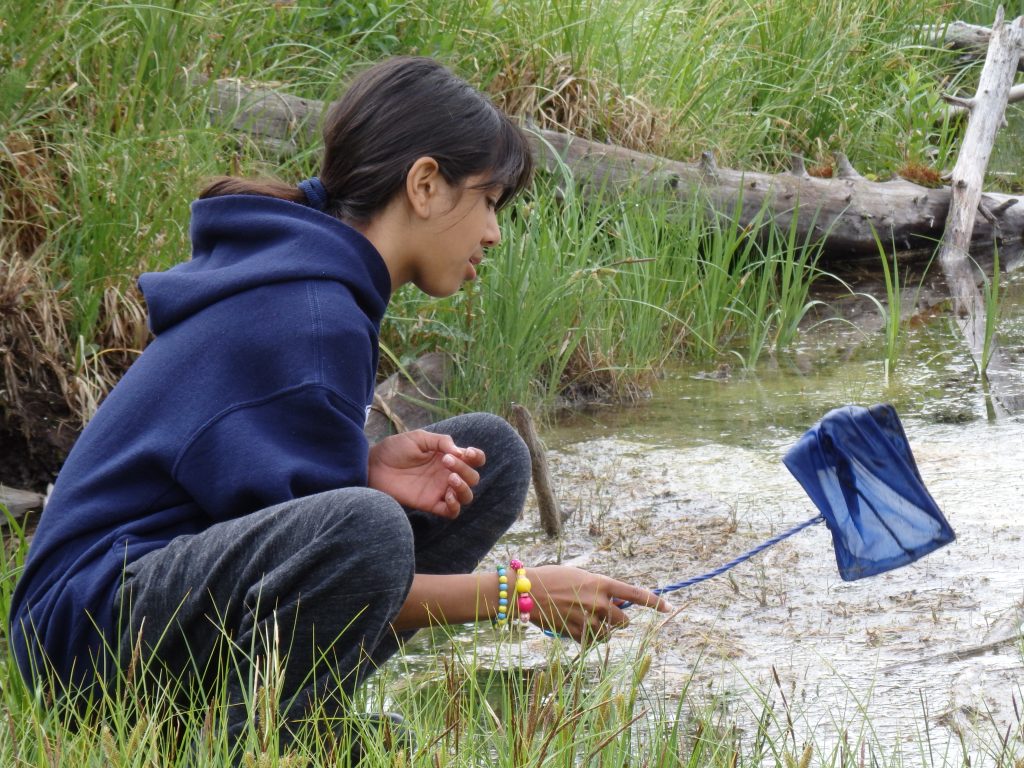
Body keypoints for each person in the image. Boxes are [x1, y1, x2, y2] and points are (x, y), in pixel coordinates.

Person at [9, 56, 669, 752]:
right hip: (82, 640)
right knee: (369, 530)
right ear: (424, 184)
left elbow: (256, 497)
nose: (493, 234)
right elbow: (349, 554)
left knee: (491, 456)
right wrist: (520, 593)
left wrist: (359, 459)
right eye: (489, 201)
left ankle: (296, 717)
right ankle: (262, 738)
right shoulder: (313, 311)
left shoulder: (310, 280)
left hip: (130, 602)